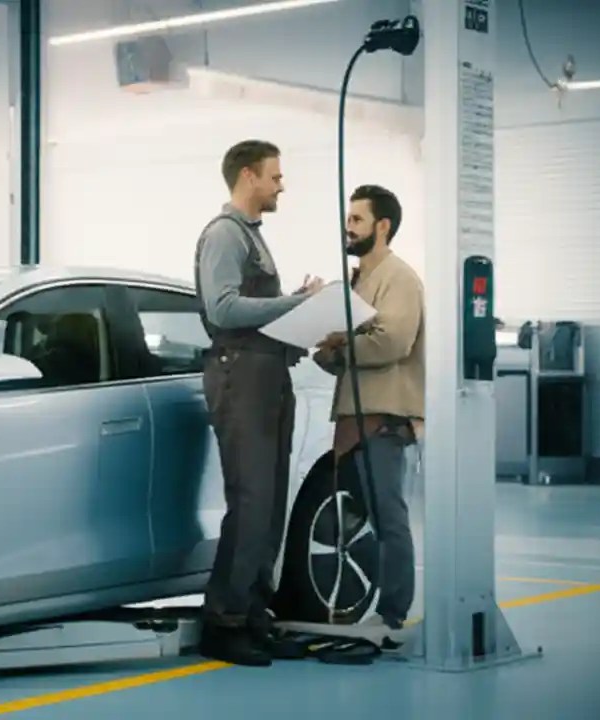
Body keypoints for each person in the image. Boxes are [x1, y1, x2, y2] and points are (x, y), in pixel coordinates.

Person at [193, 139, 324, 667]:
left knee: (269, 503)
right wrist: (299, 302)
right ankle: (222, 623)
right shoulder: (224, 236)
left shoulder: (252, 238)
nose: (281, 185)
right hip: (241, 379)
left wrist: (300, 310)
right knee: (249, 502)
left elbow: (257, 311)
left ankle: (253, 614)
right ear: (248, 176)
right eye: (275, 176)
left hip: (268, 377)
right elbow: (223, 308)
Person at [313, 183, 425, 639]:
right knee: (366, 520)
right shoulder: (357, 282)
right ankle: (365, 603)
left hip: (382, 419)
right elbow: (338, 342)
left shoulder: (399, 279)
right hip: (356, 416)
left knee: (387, 516)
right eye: (347, 219)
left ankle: (394, 612)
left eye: (357, 220)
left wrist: (341, 349)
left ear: (382, 226)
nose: (348, 227)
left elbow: (392, 341)